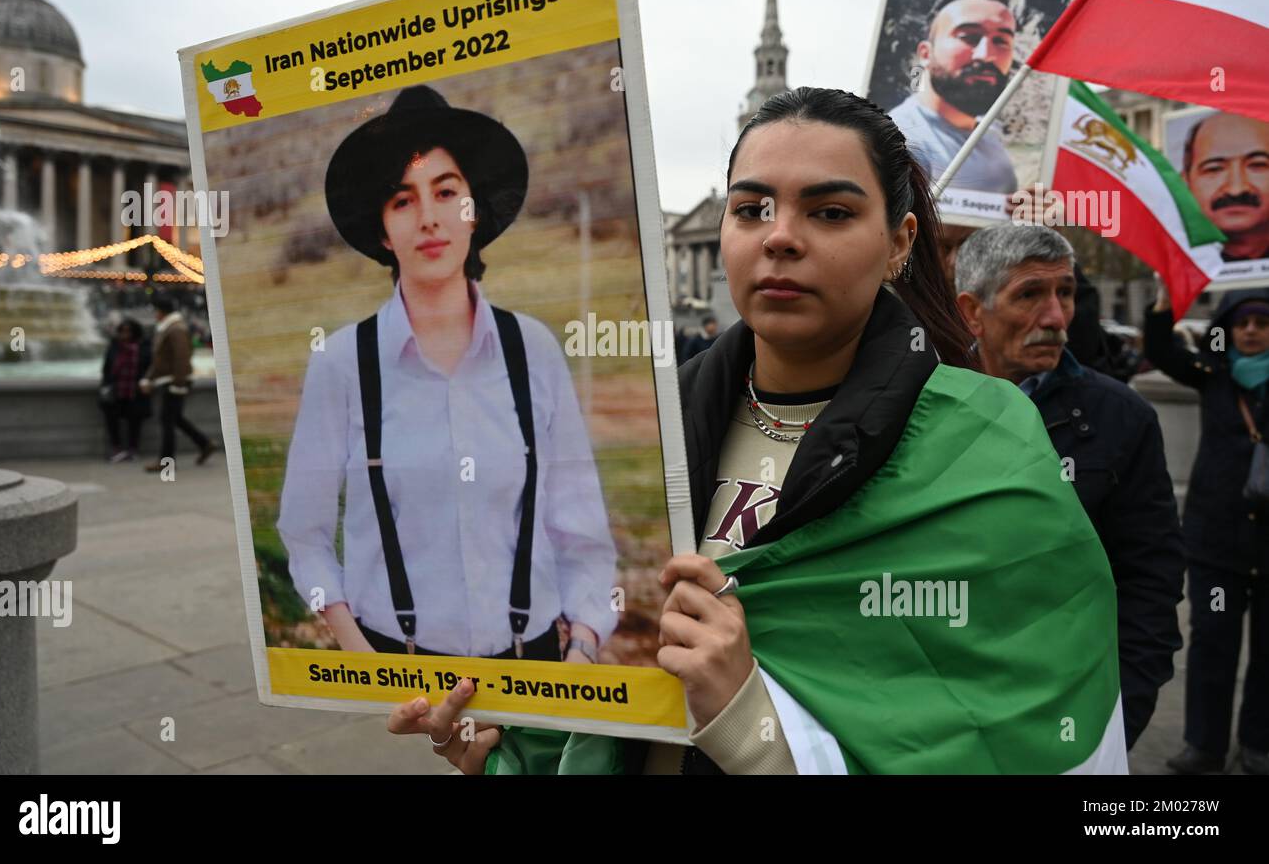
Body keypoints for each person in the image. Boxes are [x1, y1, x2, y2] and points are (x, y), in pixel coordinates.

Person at [388, 87, 1127, 775]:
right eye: (751, 209)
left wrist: (749, 722)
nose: (780, 237)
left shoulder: (986, 438)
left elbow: (1015, 722)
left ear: (900, 243)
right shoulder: (643, 432)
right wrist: (504, 744)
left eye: (829, 212)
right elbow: (586, 667)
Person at [277, 85, 617, 663]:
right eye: (403, 200)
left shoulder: (532, 350)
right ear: (383, 230)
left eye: (446, 192)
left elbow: (579, 526)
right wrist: (361, 657)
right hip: (395, 666)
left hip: (534, 666)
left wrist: (582, 645)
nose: (429, 218)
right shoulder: (341, 363)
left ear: (473, 210)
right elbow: (304, 533)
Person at [955, 224, 1185, 749]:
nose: (1056, 317)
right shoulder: (920, 403)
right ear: (973, 312)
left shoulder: (1122, 418)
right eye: (1030, 295)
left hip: (1071, 711)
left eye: (1066, 293)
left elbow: (1150, 577)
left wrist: (1120, 714)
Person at [1145, 283, 1269, 775]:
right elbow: (1161, 350)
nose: (1252, 331)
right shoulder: (1212, 373)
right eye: (1243, 323)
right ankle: (1204, 744)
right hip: (1216, 541)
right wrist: (1163, 301)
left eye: (1263, 323)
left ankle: (1258, 745)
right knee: (1213, 640)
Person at [889, 0, 1018, 193]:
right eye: (968, 37)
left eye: (1001, 41)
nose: (986, 55)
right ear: (926, 54)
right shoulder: (901, 142)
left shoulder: (989, 137)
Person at [140, 295, 215, 470]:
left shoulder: (175, 329)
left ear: (161, 312)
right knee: (175, 418)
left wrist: (178, 384)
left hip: (174, 382)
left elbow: (182, 357)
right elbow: (160, 358)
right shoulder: (170, 328)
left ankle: (166, 463)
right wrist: (147, 378)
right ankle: (205, 444)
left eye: (155, 311)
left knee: (167, 420)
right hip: (171, 380)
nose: (154, 315)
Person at [1182, 113, 1269, 263]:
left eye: (1257, 165)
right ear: (1186, 182)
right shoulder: (1181, 266)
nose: (1236, 189)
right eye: (1214, 169)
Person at [99, 318, 151, 462]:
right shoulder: (114, 346)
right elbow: (107, 367)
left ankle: (133, 449)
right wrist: (106, 385)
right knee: (112, 420)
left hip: (136, 391)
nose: (124, 334)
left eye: (128, 331)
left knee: (135, 421)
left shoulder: (143, 347)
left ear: (135, 332)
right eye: (122, 331)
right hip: (116, 390)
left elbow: (149, 366)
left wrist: (147, 381)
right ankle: (117, 449)